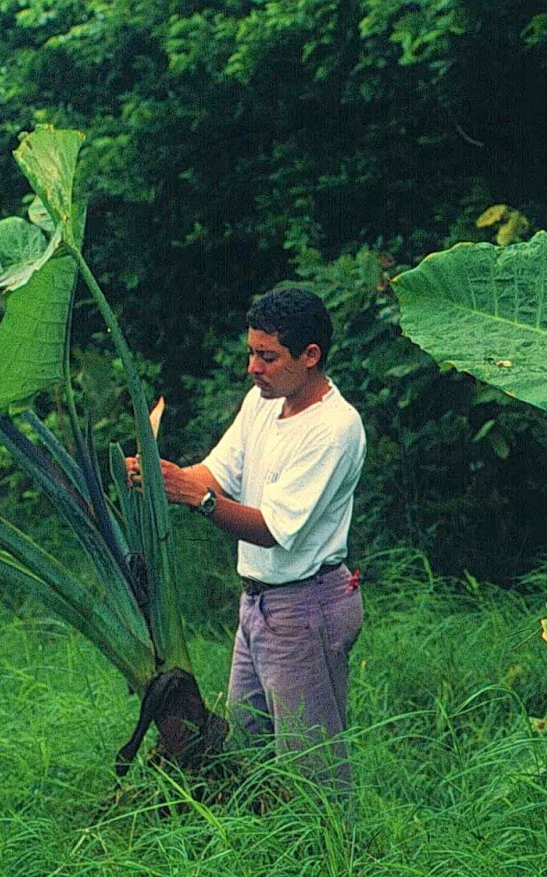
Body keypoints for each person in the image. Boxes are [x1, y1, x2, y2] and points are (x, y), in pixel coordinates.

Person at [132, 287, 367, 793]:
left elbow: (273, 530)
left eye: (267, 356)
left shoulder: (334, 428)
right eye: (251, 353)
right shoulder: (264, 402)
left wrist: (195, 497)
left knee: (312, 770)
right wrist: (165, 478)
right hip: (258, 606)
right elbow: (216, 474)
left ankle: (334, 842)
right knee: (246, 750)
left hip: (305, 608)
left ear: (310, 356)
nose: (252, 368)